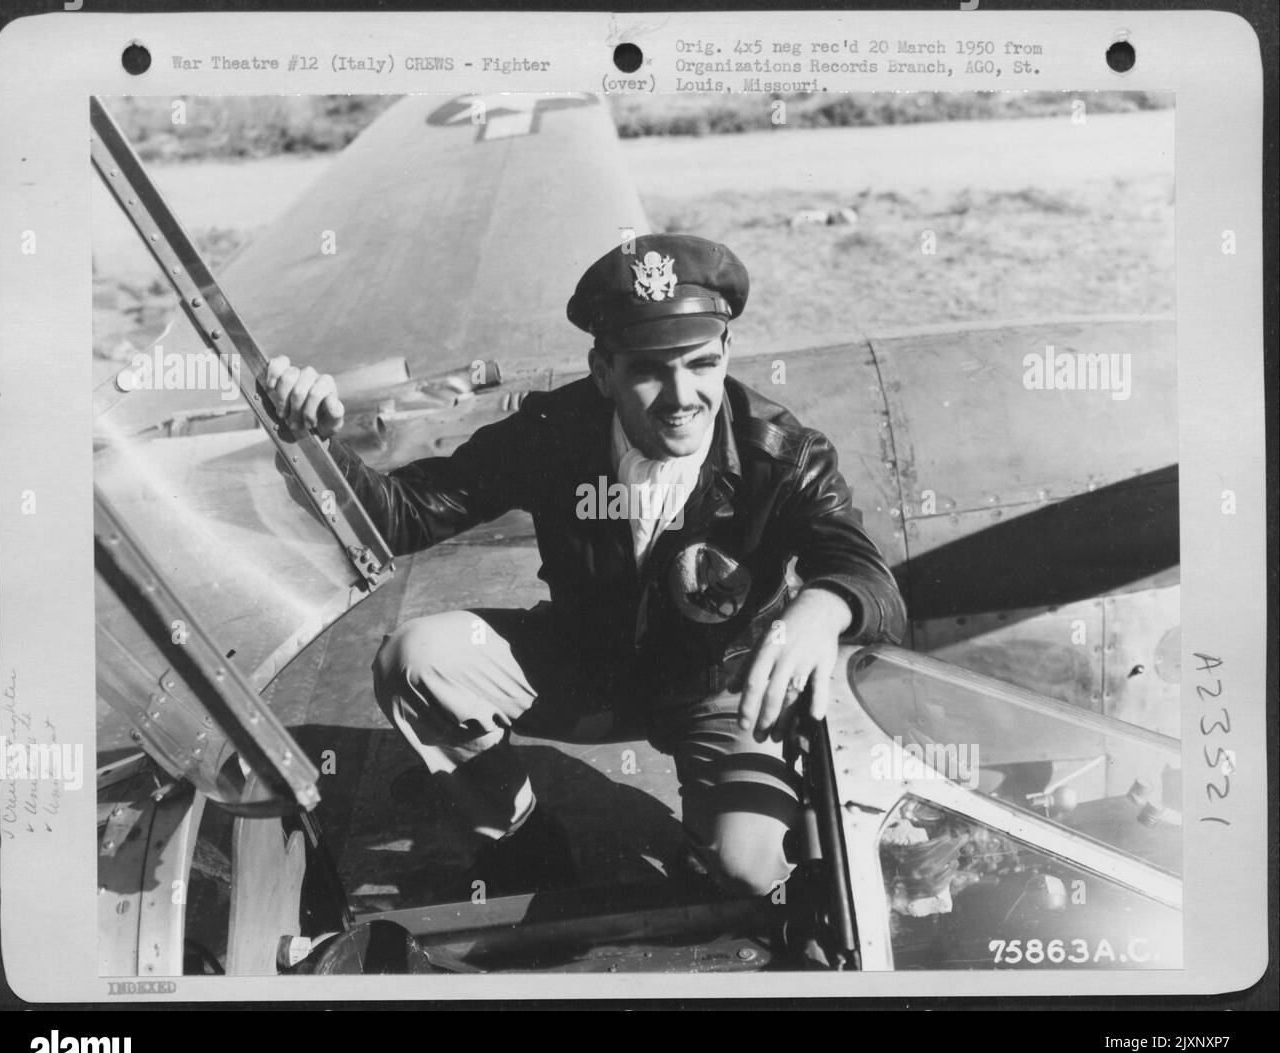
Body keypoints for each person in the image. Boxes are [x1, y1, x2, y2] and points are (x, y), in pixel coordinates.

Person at [265, 234, 907, 900]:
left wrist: (822, 609)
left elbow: (868, 577)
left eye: (701, 364)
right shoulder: (554, 432)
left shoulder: (781, 453)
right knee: (418, 659)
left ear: (726, 357)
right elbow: (400, 516)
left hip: (719, 691)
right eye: (649, 369)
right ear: (603, 370)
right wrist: (313, 444)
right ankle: (521, 842)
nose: (682, 395)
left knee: (748, 872)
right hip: (586, 668)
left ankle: (706, 843)